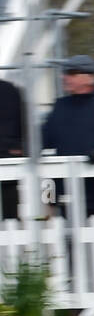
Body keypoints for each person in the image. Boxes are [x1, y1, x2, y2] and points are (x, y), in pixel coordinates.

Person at [40, 55, 94, 218]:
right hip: (63, 196)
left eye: (72, 73)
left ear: (90, 77)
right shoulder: (60, 107)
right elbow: (42, 141)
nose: (64, 77)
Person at [0, 77, 25, 220]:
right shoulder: (10, 89)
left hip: (8, 154)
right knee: (10, 209)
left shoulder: (9, 90)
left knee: (9, 205)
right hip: (10, 154)